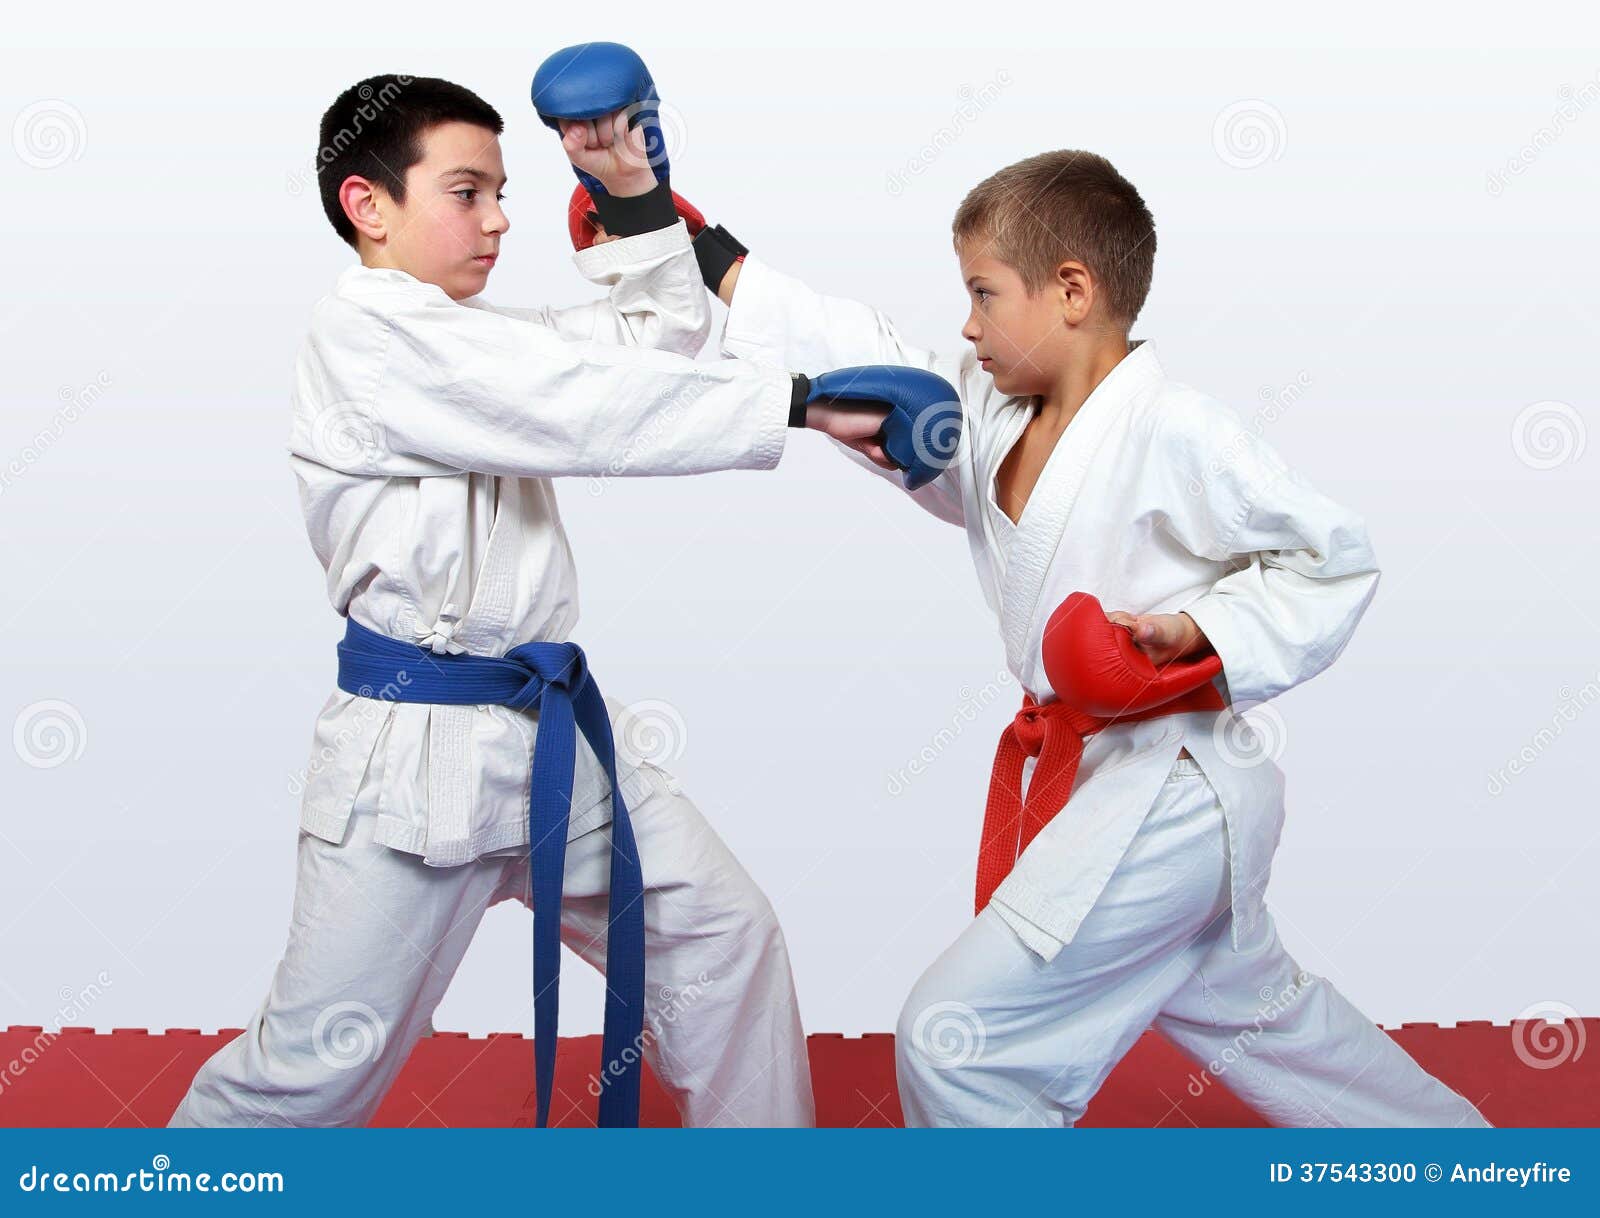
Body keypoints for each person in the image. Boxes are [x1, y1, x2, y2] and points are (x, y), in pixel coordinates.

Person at [168, 69, 951, 1129]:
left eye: (502, 192)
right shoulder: (360, 337)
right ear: (368, 205)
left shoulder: (475, 333)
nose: (497, 220)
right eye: (466, 192)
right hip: (411, 762)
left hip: (553, 740)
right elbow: (582, 405)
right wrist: (808, 403)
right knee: (311, 1071)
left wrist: (629, 196)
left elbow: (645, 354)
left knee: (722, 939)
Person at [703, 148, 1492, 1129]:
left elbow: (1332, 559)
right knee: (1259, 1019)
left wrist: (1193, 632)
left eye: (984, 294)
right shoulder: (991, 413)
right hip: (1099, 783)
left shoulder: (1175, 429)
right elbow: (877, 360)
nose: (967, 322)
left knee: (959, 1042)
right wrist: (706, 253)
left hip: (1171, 786)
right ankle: (1462, 1161)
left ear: (1070, 290)